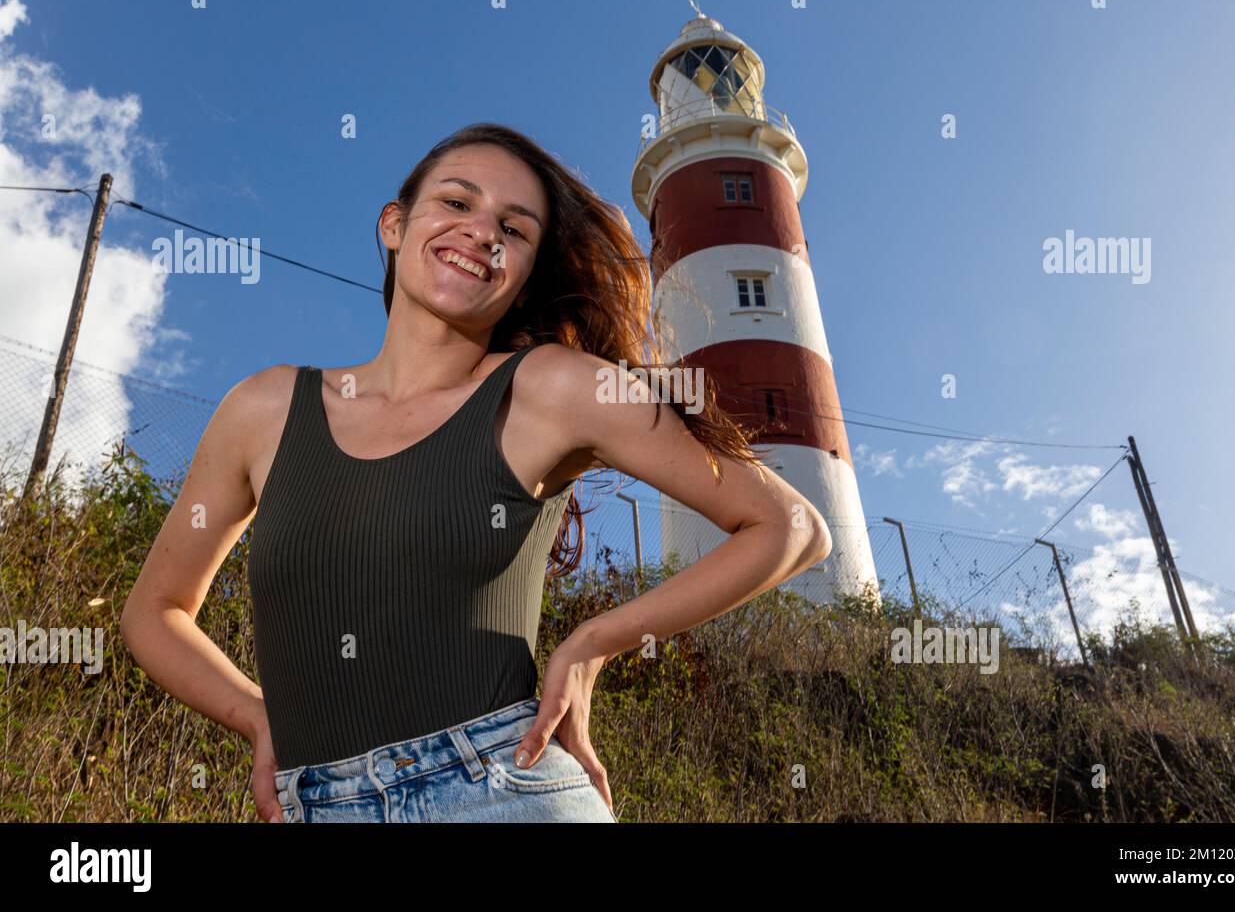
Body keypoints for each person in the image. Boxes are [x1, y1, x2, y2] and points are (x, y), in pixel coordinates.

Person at [120, 122, 833, 822]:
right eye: (457, 203)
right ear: (394, 225)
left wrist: (593, 645)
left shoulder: (550, 388)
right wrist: (255, 717)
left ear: (523, 280)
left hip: (502, 789)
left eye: (514, 230)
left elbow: (790, 526)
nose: (483, 231)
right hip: (317, 804)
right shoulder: (265, 408)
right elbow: (155, 612)